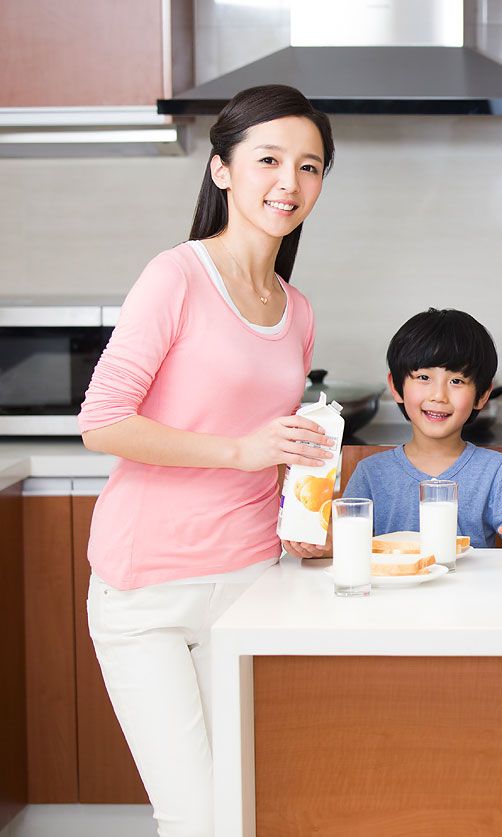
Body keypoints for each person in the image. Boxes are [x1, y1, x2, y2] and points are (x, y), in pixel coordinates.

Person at [77, 85, 335, 835]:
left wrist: (302, 494)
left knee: (251, 804)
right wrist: (242, 450)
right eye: (268, 160)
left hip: (253, 579)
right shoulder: (177, 277)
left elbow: (269, 440)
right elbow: (101, 422)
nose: (289, 182)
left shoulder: (297, 307)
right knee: (198, 816)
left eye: (310, 166)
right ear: (222, 170)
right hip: (149, 587)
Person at [286, 308, 502, 554]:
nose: (438, 395)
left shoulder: (494, 470)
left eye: (456, 381)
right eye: (423, 377)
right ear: (397, 386)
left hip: (469, 600)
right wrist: (319, 548)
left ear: (482, 396)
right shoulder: (370, 473)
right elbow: (344, 545)